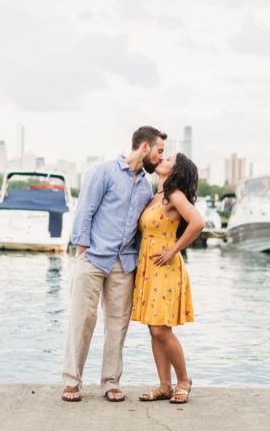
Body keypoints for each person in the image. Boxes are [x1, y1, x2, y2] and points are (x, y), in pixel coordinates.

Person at [61, 126, 167, 403]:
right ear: (145, 146)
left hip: (124, 263)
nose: (160, 157)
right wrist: (82, 250)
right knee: (82, 320)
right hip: (94, 257)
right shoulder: (103, 172)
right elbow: (85, 211)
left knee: (118, 325)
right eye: (159, 151)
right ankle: (72, 381)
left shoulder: (145, 185)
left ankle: (111, 382)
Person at [131, 152, 204, 404]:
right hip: (149, 268)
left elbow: (197, 222)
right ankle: (164, 385)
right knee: (154, 329)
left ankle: (183, 380)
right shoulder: (155, 197)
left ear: (176, 170)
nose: (162, 159)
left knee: (161, 329)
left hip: (166, 268)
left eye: (169, 159)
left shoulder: (174, 195)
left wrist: (173, 250)